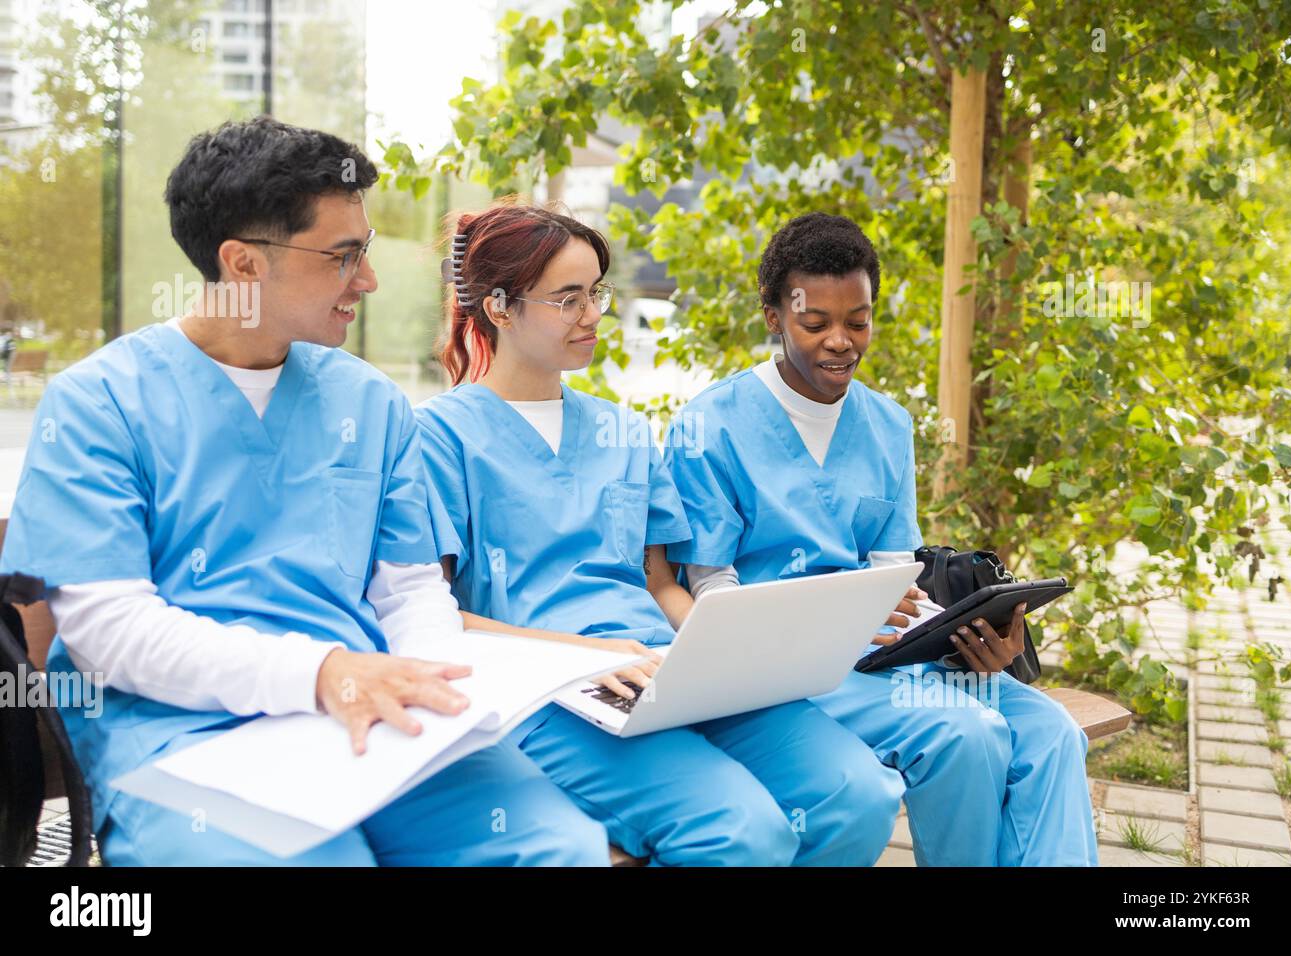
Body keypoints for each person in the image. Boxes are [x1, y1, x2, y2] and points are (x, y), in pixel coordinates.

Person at [0, 118, 609, 866]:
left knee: (558, 848)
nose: (369, 280)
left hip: (369, 710)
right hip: (179, 731)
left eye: (368, 251)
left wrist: (433, 688)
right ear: (243, 264)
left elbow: (412, 592)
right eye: (343, 256)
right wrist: (319, 674)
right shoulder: (100, 404)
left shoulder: (370, 402)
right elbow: (110, 632)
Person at [414, 201, 905, 866]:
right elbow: (434, 620)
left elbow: (658, 583)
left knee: (857, 794)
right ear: (499, 308)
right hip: (552, 696)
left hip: (668, 671)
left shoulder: (620, 430)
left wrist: (731, 639)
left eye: (596, 293)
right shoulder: (439, 438)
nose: (594, 315)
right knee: (742, 830)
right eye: (568, 299)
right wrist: (585, 654)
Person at [663, 212, 1099, 866]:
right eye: (816, 324)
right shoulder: (711, 427)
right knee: (969, 736)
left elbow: (897, 574)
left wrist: (961, 642)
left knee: (1054, 735)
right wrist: (834, 611)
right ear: (774, 318)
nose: (840, 341)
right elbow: (711, 589)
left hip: (894, 659)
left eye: (858, 321)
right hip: (791, 670)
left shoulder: (886, 424)